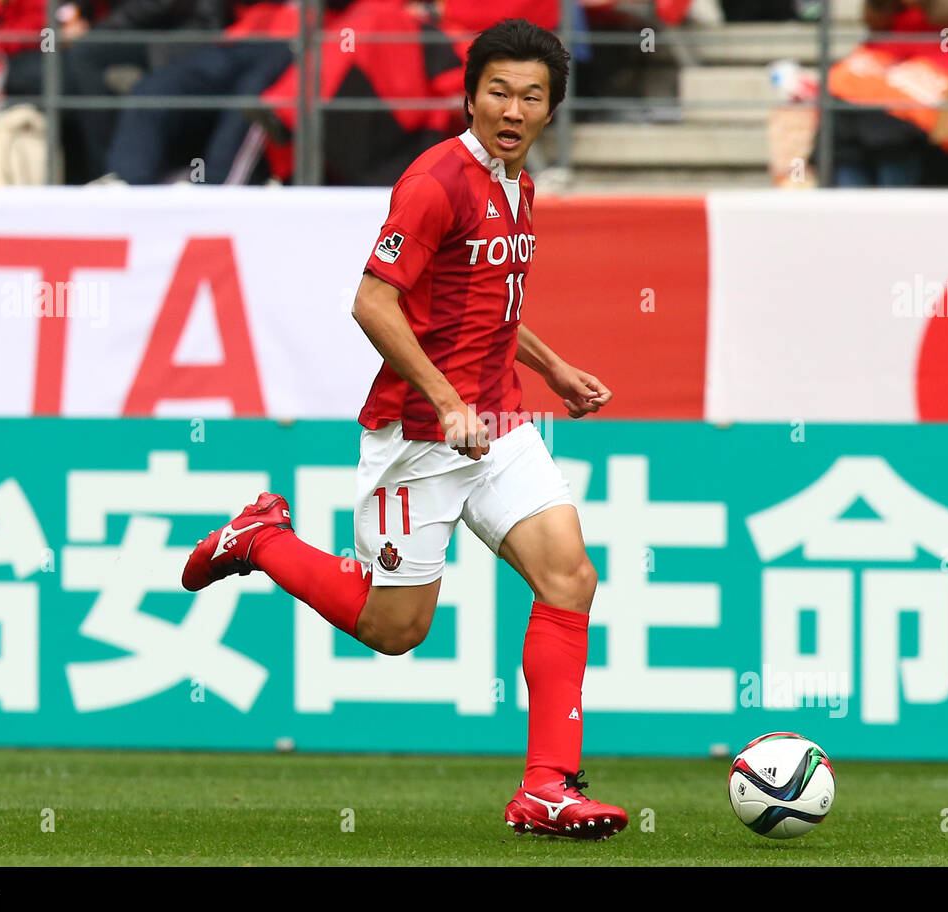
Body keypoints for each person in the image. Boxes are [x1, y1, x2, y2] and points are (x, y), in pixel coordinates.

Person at [182, 17, 628, 840]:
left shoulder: (517, 187)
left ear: (550, 110)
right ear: (468, 95)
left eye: (532, 95)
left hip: (499, 425)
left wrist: (552, 368)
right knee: (396, 631)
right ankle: (259, 540)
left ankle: (547, 788)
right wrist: (447, 400)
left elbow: (486, 304)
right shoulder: (435, 181)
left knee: (569, 578)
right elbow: (373, 300)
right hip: (422, 435)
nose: (512, 107)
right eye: (497, 90)